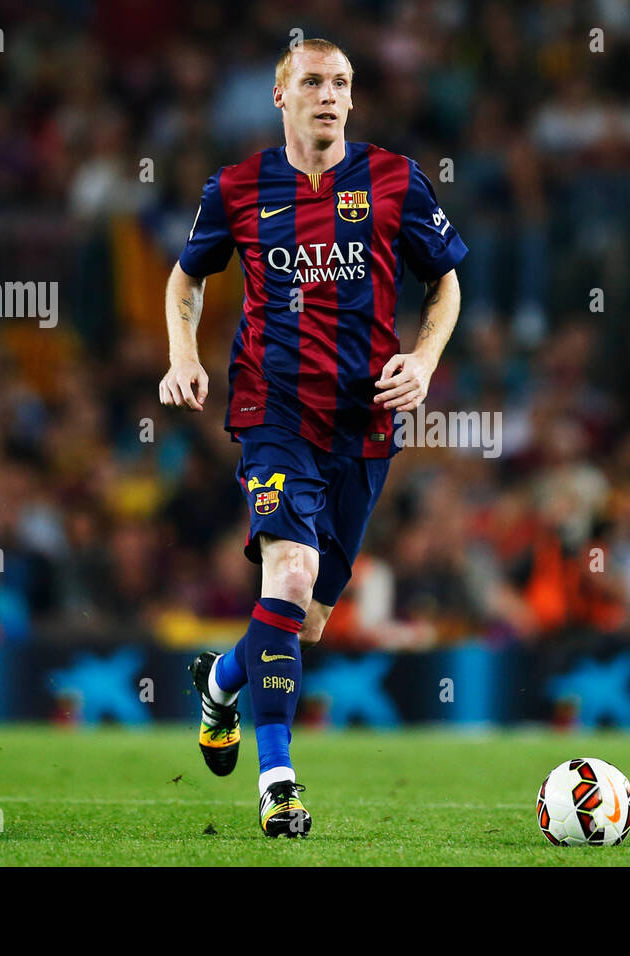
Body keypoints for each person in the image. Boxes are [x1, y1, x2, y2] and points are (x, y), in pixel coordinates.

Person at [159, 38, 466, 837]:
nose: (327, 95)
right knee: (288, 577)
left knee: (310, 618)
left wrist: (425, 359)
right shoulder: (236, 189)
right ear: (279, 96)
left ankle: (222, 680)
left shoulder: (395, 179)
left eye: (341, 84)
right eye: (311, 82)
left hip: (365, 423)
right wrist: (182, 356)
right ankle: (280, 784)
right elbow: (188, 276)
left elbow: (447, 281)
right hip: (274, 413)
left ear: (352, 99)